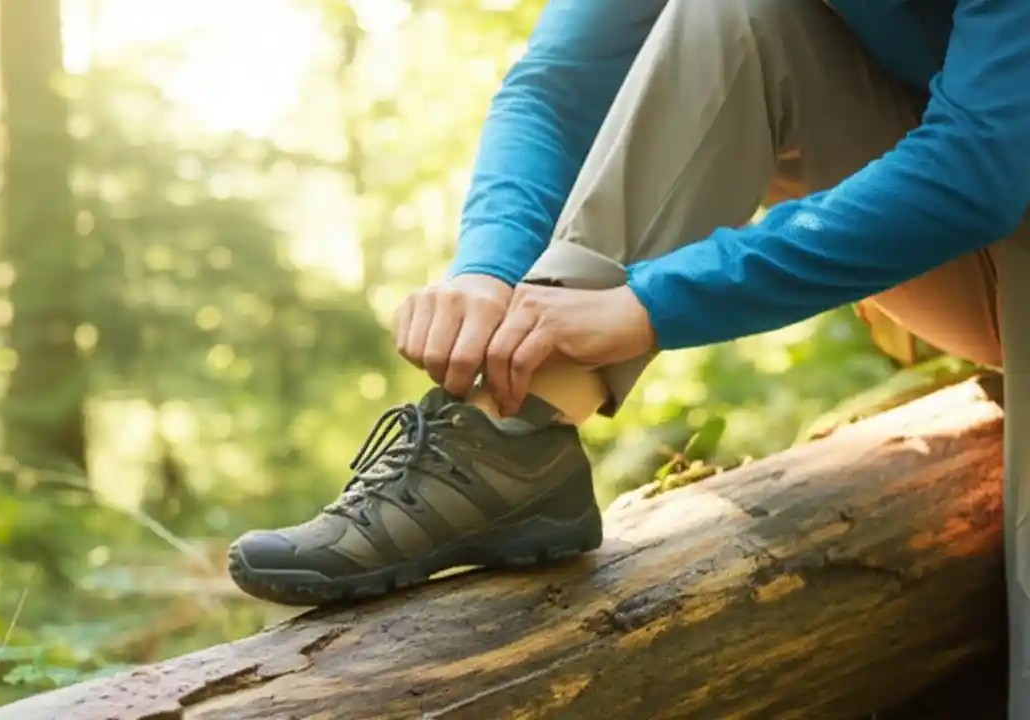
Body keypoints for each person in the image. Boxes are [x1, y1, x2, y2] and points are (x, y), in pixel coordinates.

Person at [229, 0, 1030, 711]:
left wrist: (651, 304)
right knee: (742, 15)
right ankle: (508, 434)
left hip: (987, 178)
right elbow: (557, 85)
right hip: (983, 248)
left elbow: (978, 165)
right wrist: (488, 268)